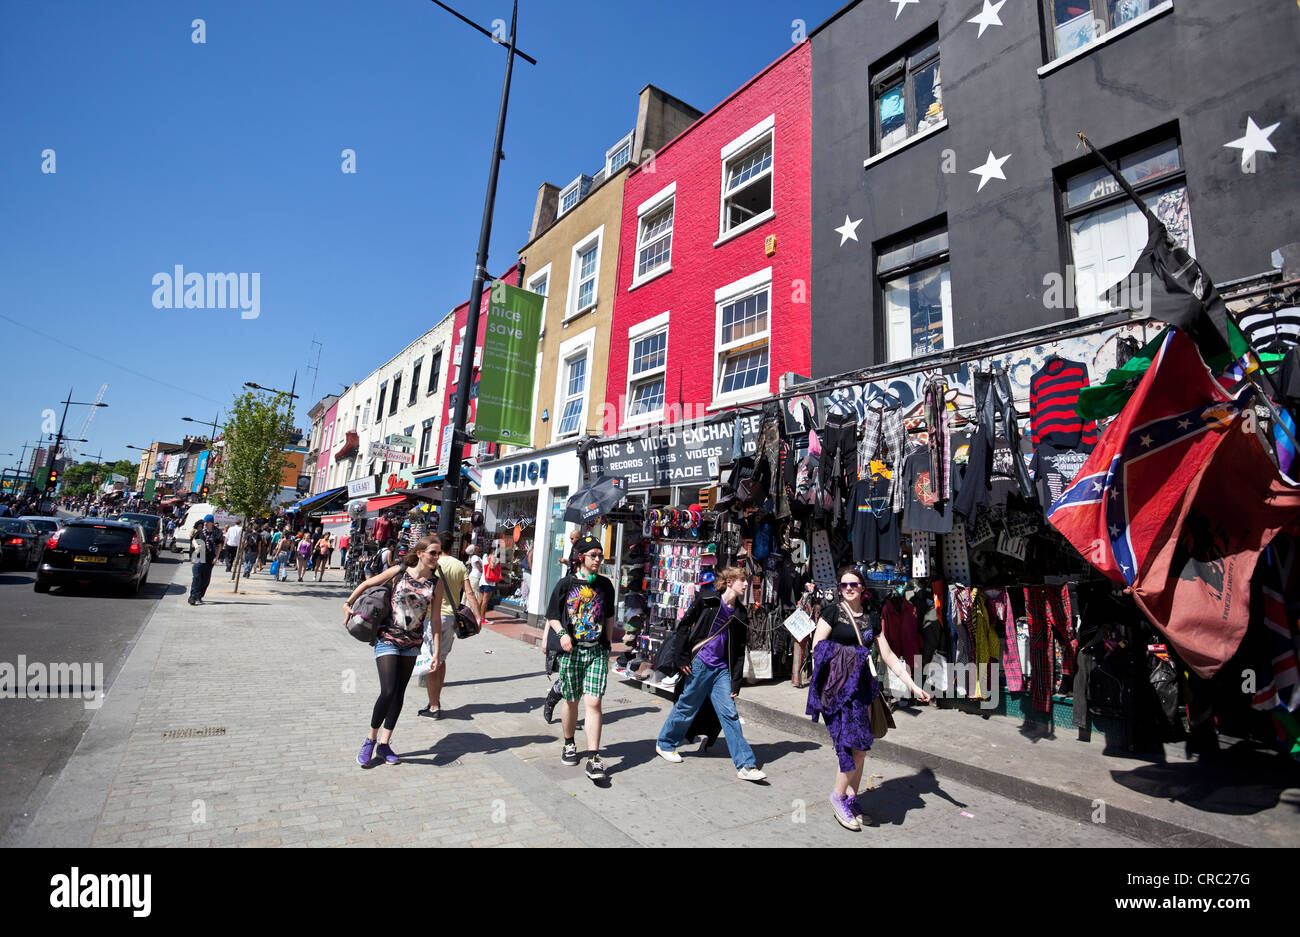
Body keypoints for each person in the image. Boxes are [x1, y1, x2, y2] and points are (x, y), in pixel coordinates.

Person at [808, 566, 930, 831]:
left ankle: (852, 798)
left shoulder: (872, 618)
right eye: (844, 585)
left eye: (853, 584)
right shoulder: (832, 613)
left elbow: (887, 655)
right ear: (839, 588)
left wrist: (912, 685)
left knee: (862, 747)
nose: (849, 588)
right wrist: (850, 656)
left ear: (862, 587)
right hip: (840, 690)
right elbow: (817, 647)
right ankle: (837, 796)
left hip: (864, 688)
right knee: (850, 744)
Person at [654, 566, 766, 781]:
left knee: (730, 714)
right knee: (687, 706)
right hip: (699, 664)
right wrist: (681, 656)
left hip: (721, 670)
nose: (746, 584)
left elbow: (739, 649)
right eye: (742, 580)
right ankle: (665, 744)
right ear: (730, 581)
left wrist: (735, 681)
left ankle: (746, 765)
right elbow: (684, 626)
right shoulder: (707, 599)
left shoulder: (741, 612)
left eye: (746, 580)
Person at [343, 535, 446, 768]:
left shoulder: (436, 584)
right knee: (388, 690)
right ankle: (370, 739)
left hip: (412, 644)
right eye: (433, 553)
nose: (436, 557)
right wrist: (348, 604)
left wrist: (436, 652)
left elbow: (436, 619)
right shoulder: (400, 571)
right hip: (387, 638)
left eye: (439, 553)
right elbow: (368, 583)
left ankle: (385, 744)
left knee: (399, 693)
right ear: (420, 553)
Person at [545, 536, 616, 782]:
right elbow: (552, 615)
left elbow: (608, 617)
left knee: (594, 703)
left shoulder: (605, 585)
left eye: (600, 556)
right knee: (571, 700)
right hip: (572, 652)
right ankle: (568, 743)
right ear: (581, 557)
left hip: (596, 651)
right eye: (593, 555)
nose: (598, 560)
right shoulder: (566, 584)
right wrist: (562, 634)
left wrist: (607, 646)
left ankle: (594, 757)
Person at [418, 532, 479, 719]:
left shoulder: (432, 563)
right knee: (441, 659)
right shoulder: (459, 564)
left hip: (432, 617)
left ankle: (434, 705)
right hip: (451, 618)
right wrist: (478, 617)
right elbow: (469, 593)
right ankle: (435, 700)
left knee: (432, 661)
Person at [188, 516, 222, 605]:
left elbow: (219, 546)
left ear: (211, 523)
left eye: (207, 522)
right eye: (204, 522)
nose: (205, 524)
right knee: (197, 577)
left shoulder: (217, 532)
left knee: (205, 579)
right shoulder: (201, 531)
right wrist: (196, 545)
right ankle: (192, 597)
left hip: (210, 557)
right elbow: (194, 539)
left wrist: (216, 557)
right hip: (200, 556)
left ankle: (199, 596)